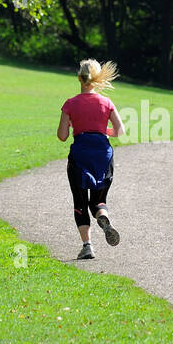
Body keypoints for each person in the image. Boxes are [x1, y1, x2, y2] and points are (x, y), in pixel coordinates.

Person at [58, 59, 126, 260]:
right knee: (98, 200)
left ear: (79, 77)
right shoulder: (106, 103)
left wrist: (73, 125)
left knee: (80, 201)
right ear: (97, 80)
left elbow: (62, 136)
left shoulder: (70, 104)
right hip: (103, 156)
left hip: (80, 155)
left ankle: (87, 246)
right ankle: (103, 217)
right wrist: (101, 130)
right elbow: (120, 131)